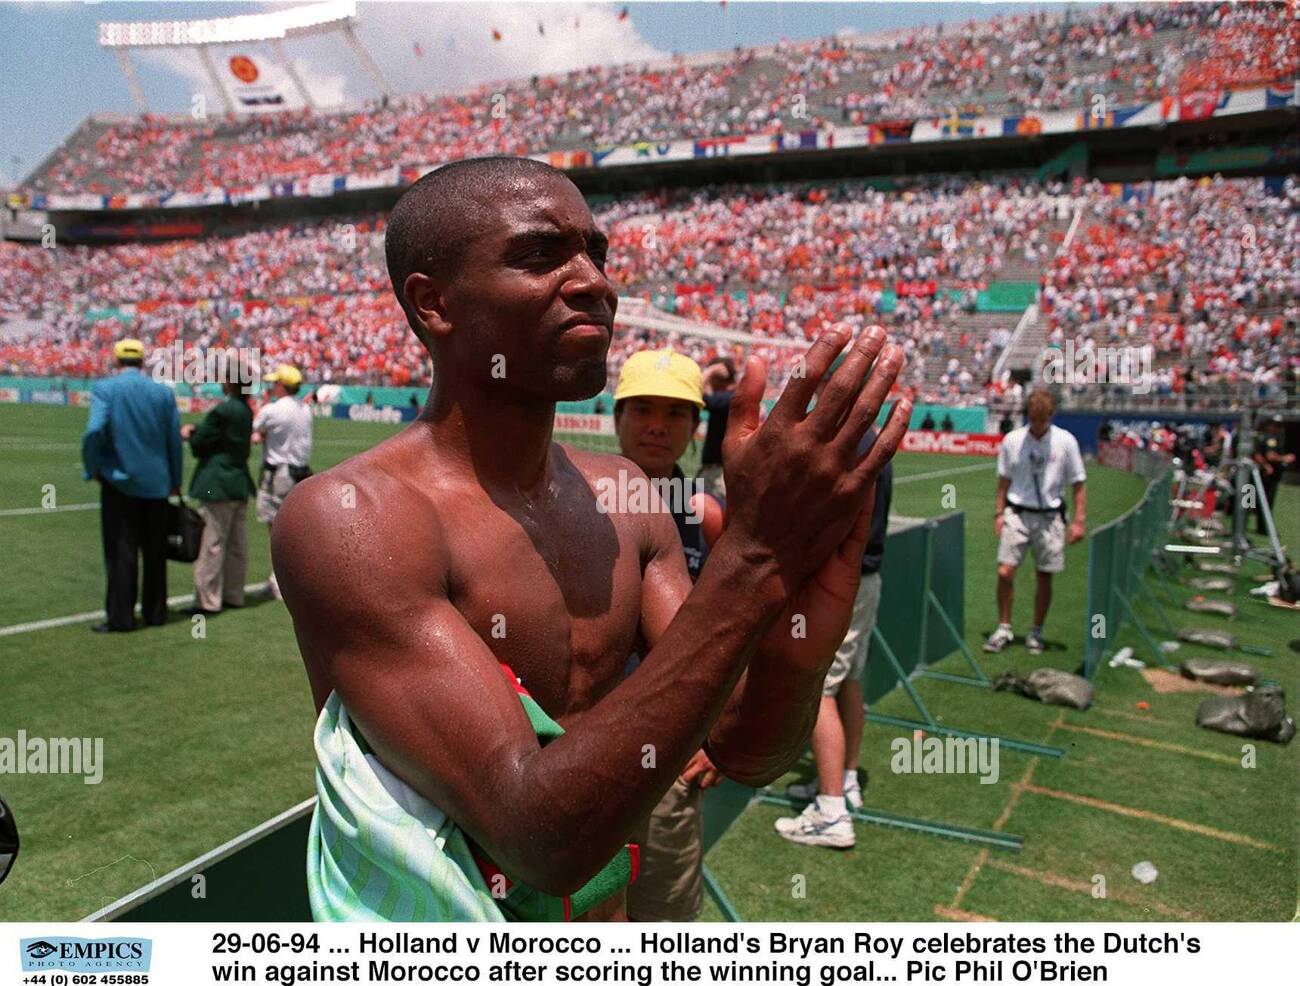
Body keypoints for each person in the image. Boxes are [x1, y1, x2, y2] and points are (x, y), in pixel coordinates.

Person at [272, 156, 911, 923]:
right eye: (541, 256)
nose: (596, 283)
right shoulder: (352, 517)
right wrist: (754, 560)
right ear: (434, 302)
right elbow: (532, 837)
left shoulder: (626, 495)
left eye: (597, 254)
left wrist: (801, 626)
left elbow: (746, 744)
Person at [611, 348, 724, 921]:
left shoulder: (705, 516)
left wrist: (714, 733)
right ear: (618, 418)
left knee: (663, 919)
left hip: (667, 760)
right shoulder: (572, 499)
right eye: (644, 410)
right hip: (576, 751)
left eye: (676, 414)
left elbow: (728, 633)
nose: (657, 425)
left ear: (695, 427)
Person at [778, 426, 892, 848]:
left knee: (819, 689)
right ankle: (843, 781)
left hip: (843, 580)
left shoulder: (845, 440)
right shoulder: (874, 436)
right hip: (866, 577)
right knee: (849, 682)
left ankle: (832, 812)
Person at [81, 338, 183, 633]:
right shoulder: (163, 393)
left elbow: (94, 432)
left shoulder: (106, 389)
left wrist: (94, 468)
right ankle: (156, 612)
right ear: (142, 361)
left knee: (121, 552)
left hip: (120, 483)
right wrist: (175, 480)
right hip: (158, 484)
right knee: (155, 552)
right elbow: (173, 441)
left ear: (116, 360)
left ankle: (121, 617)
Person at [985, 386, 1087, 655]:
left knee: (1044, 576)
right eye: (1033, 418)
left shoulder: (1066, 442)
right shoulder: (1012, 440)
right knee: (1005, 572)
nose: (1037, 424)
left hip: (1050, 517)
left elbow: (1078, 482)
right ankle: (1004, 627)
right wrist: (998, 513)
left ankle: (1036, 631)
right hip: (1017, 512)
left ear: (1051, 416)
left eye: (1042, 419)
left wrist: (1079, 520)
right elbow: (1003, 480)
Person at [181, 381, 255, 616]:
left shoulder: (223, 410)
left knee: (211, 543)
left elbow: (202, 442)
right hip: (238, 481)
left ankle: (208, 600)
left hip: (217, 483)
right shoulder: (246, 409)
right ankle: (234, 594)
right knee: (236, 543)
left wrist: (191, 434)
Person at [252, 364, 313, 600]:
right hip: (300, 471)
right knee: (293, 529)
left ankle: (279, 582)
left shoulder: (272, 410)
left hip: (279, 473)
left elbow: (256, 432)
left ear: (280, 385)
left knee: (276, 529)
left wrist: (263, 404)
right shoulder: (304, 409)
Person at [697, 358, 736, 501]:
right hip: (717, 471)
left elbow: (697, 393)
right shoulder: (730, 398)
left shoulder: (732, 398)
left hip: (719, 473)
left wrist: (710, 372)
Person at [1252, 414, 1294, 535]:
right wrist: (1285, 458)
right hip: (1269, 475)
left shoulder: (1267, 436)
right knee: (1266, 501)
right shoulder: (1270, 438)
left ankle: (1263, 527)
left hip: (1267, 473)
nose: (1279, 428)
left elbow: (1258, 454)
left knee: (1264, 501)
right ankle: (1263, 528)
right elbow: (1270, 455)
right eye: (1277, 425)